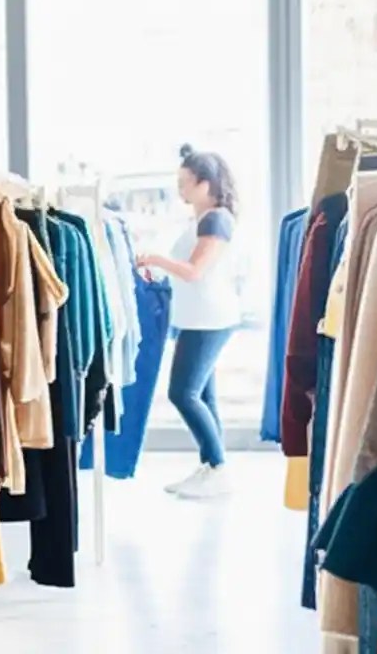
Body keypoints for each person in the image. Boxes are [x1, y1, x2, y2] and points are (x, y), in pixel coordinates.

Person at [136, 144, 241, 499]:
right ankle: (211, 466)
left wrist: (157, 259)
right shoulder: (203, 219)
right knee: (202, 395)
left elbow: (196, 271)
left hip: (210, 319)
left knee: (182, 393)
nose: (180, 189)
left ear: (205, 183)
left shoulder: (215, 219)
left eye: (185, 182)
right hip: (200, 317)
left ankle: (219, 467)